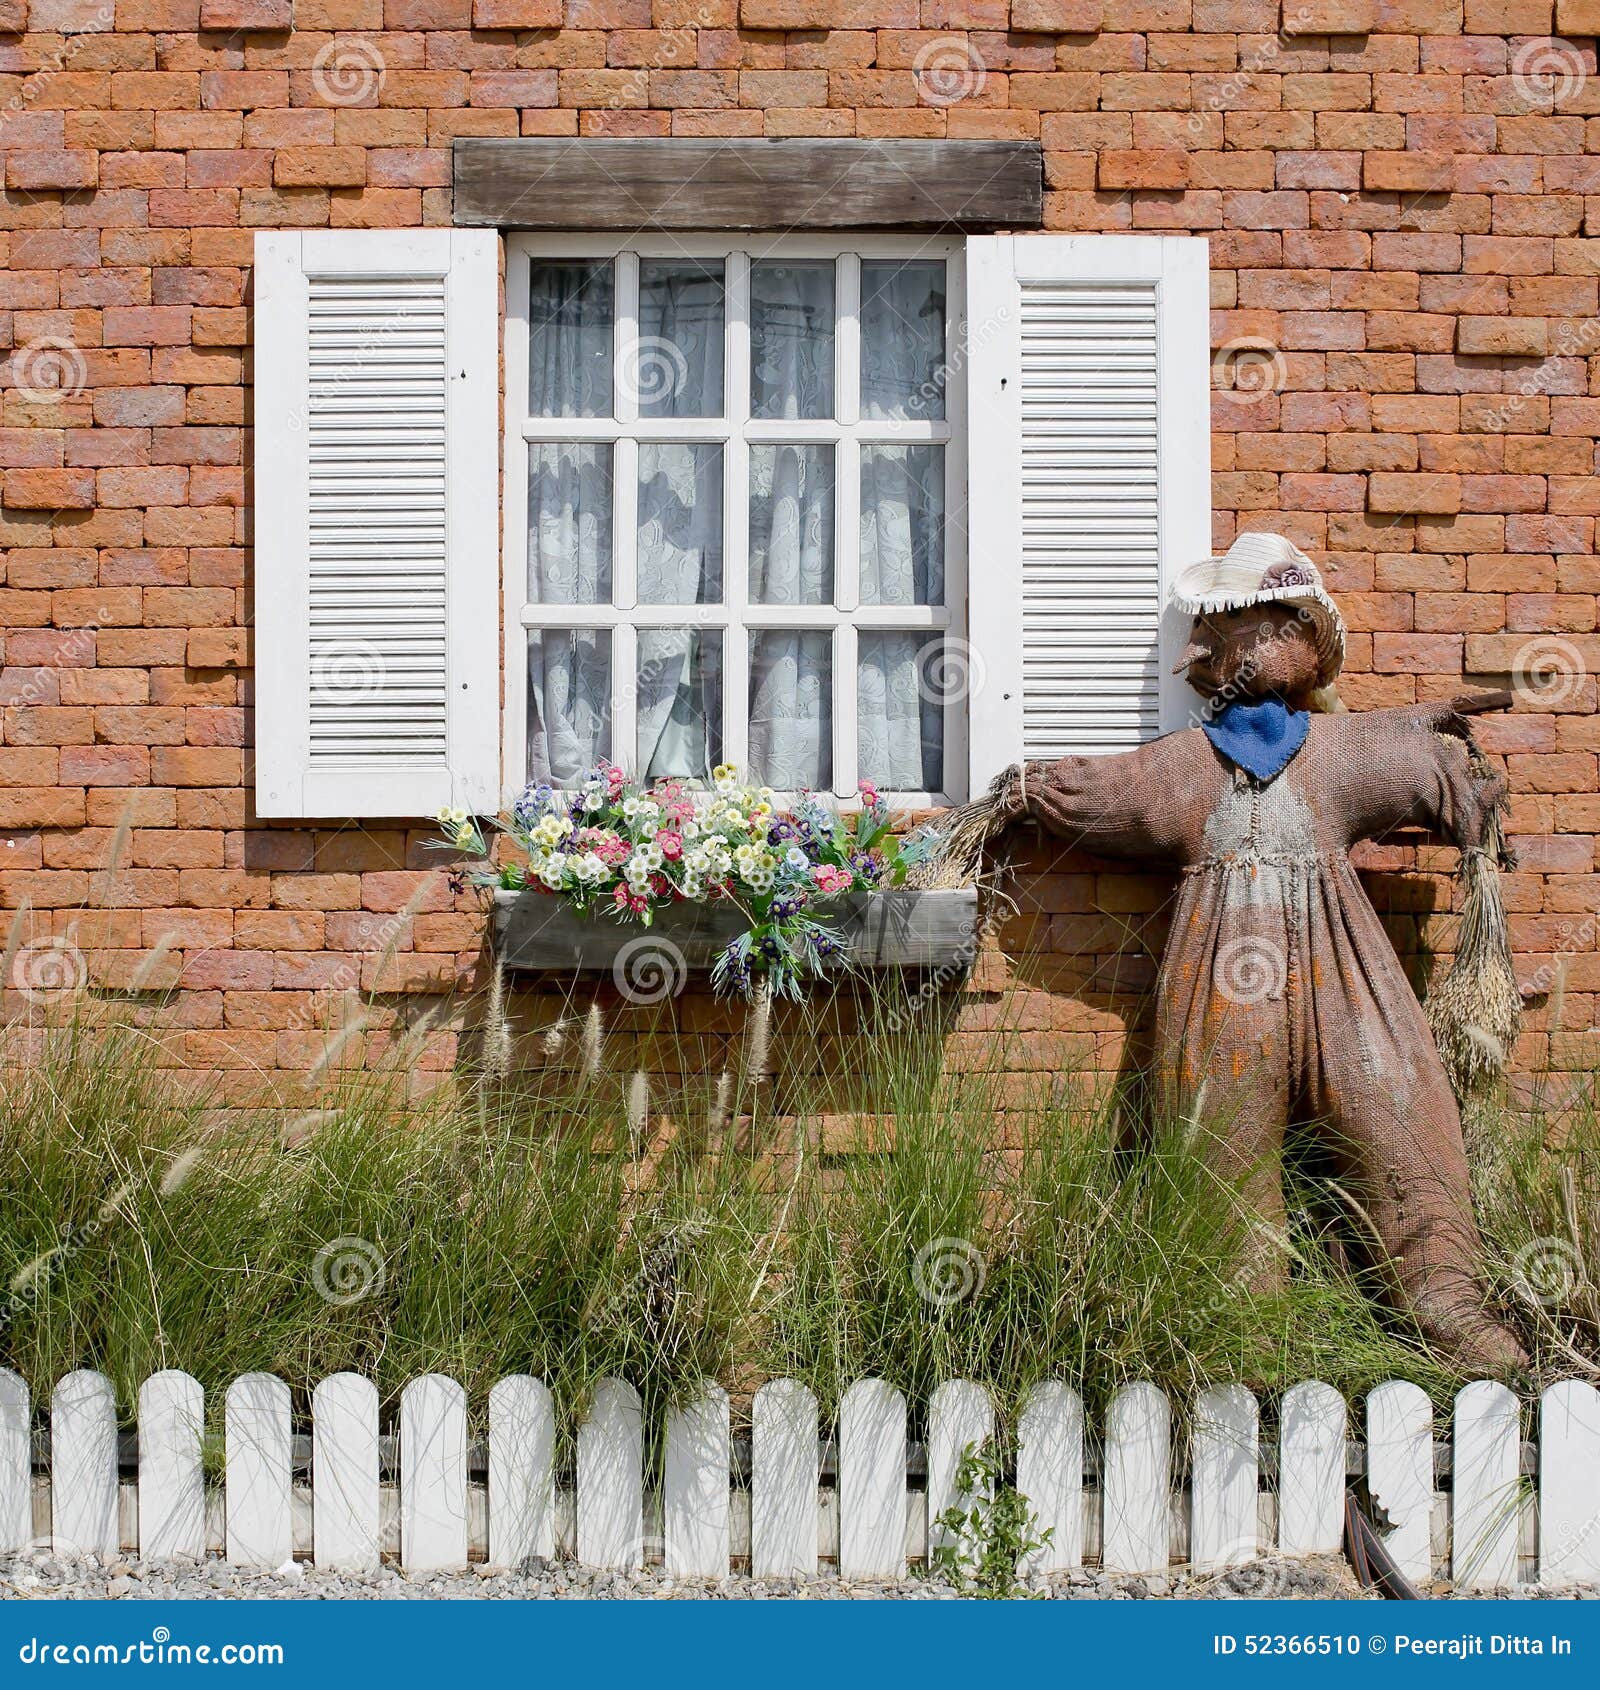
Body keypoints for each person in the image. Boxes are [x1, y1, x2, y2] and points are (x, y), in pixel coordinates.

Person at [946, 531, 1526, 1372]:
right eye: (1232, 628)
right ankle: (1234, 1345)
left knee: (1400, 1107)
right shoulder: (1185, 769)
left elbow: (1425, 770)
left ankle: (1451, 1310)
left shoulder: (1340, 752)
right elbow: (1108, 795)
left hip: (1349, 975)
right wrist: (1027, 791)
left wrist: (1462, 794)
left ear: (1303, 637)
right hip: (1218, 986)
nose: (1237, 644)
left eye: (1262, 623)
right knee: (1215, 1145)